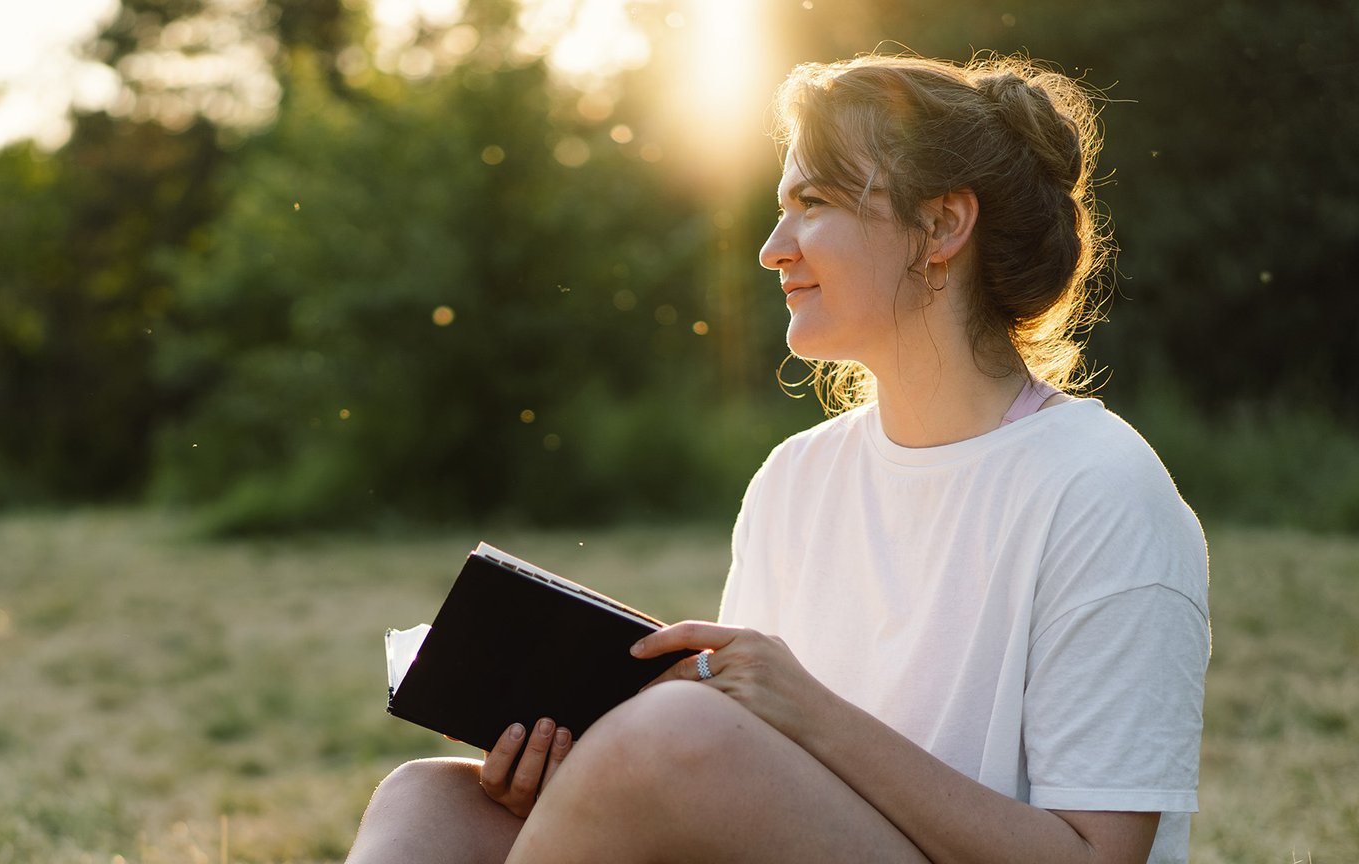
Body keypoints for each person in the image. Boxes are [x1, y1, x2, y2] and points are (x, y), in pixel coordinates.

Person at [346, 51, 1209, 864]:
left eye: (817, 203)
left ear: (942, 224)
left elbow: (1097, 855)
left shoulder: (1100, 488)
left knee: (671, 738)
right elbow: (743, 774)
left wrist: (809, 717)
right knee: (431, 803)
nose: (773, 247)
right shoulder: (796, 478)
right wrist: (580, 765)